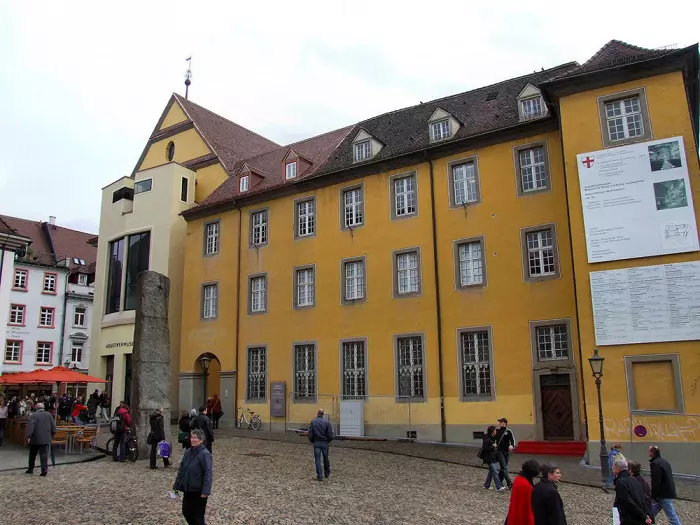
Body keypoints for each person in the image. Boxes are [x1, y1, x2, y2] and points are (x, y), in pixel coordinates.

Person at [173, 428, 213, 525]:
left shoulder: (205, 454)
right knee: (186, 511)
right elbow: (182, 469)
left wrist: (206, 491)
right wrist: (177, 485)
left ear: (201, 440)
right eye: (192, 437)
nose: (193, 440)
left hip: (198, 491)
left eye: (195, 438)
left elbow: (208, 473)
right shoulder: (188, 452)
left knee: (198, 516)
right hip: (188, 489)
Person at [613, 457, 653, 525]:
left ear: (617, 468)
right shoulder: (633, 479)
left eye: (613, 467)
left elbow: (627, 500)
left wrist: (644, 516)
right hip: (638, 516)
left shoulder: (621, 481)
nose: (612, 469)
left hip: (630, 517)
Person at [649, 446, 682, 525]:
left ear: (652, 453)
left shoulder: (655, 463)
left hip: (663, 494)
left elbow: (656, 481)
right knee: (652, 510)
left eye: (649, 451)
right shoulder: (664, 461)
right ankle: (646, 519)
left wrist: (653, 495)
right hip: (668, 491)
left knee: (671, 515)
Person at [25, 403, 56, 476]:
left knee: (32, 455)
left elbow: (30, 427)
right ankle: (44, 470)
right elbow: (53, 426)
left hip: (35, 439)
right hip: (45, 439)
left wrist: (28, 437)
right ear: (43, 407)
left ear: (36, 408)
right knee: (44, 455)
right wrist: (52, 435)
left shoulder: (34, 415)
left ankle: (31, 469)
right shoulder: (49, 415)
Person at [506, 459, 540, 525]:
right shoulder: (526, 485)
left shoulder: (518, 479)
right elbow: (527, 507)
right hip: (520, 518)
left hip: (513, 514)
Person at [308, 408, 334, 481]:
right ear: (323, 414)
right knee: (326, 458)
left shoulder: (313, 422)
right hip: (325, 442)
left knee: (317, 459)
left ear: (317, 413)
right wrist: (328, 440)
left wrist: (312, 440)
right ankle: (326, 472)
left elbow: (310, 434)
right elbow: (330, 434)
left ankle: (319, 475)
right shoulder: (327, 422)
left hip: (316, 442)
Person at [481, 425, 505, 491]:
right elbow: (485, 448)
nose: (496, 431)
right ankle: (499, 486)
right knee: (495, 472)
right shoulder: (486, 437)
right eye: (495, 430)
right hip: (488, 458)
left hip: (492, 457)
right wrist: (493, 446)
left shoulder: (492, 437)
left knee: (491, 472)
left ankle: (486, 485)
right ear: (492, 432)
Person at [496, 417, 516, 489]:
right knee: (504, 467)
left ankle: (498, 482)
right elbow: (491, 438)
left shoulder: (508, 431)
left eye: (501, 422)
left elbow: (512, 440)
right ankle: (509, 483)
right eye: (499, 422)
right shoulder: (497, 431)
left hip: (506, 452)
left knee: (503, 468)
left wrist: (512, 445)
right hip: (499, 452)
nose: (499, 423)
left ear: (504, 423)